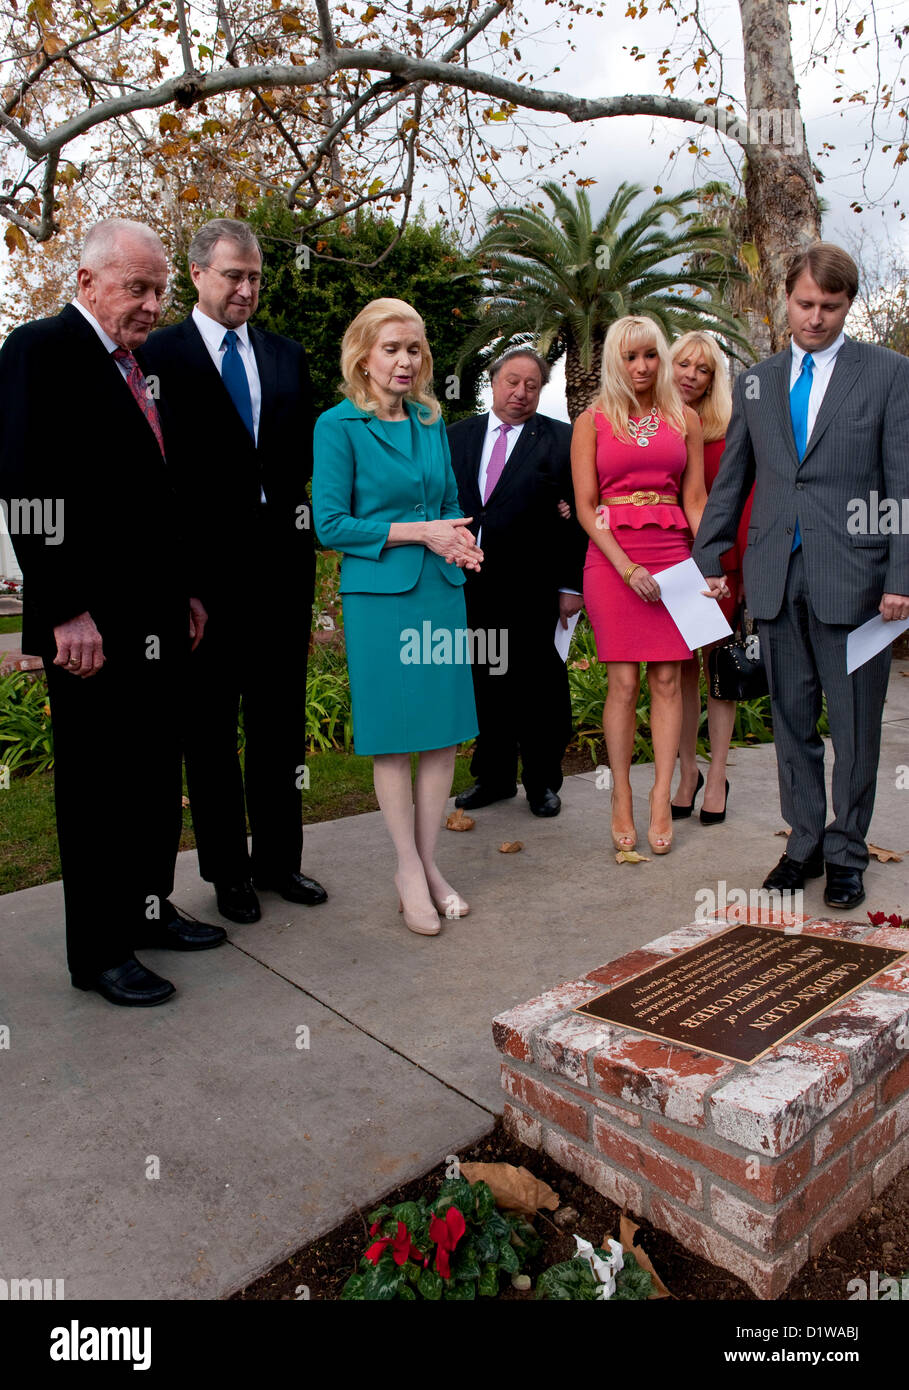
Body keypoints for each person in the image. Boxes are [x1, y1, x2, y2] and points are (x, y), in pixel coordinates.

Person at [0, 219, 226, 1007]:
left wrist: (188, 593)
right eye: (138, 287)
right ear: (88, 281)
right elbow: (27, 491)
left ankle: (148, 910)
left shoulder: (137, 367)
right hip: (89, 626)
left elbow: (162, 496)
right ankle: (98, 952)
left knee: (154, 777)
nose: (153, 303)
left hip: (158, 615)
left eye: (160, 288)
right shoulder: (39, 350)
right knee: (99, 788)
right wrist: (63, 612)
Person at [695, 243, 909, 909]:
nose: (814, 317)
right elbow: (732, 477)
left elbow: (902, 483)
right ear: (784, 299)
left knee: (852, 729)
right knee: (790, 723)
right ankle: (803, 843)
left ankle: (847, 853)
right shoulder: (756, 380)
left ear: (847, 305)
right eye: (804, 303)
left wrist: (900, 574)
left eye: (829, 306)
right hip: (775, 581)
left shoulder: (887, 374)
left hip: (859, 584)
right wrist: (710, 558)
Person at [140, 218, 327, 925]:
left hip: (281, 568)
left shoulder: (286, 355)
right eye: (233, 276)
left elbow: (296, 466)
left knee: (279, 724)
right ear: (196, 275)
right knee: (211, 730)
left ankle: (279, 862)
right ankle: (227, 874)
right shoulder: (157, 354)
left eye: (254, 277)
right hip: (202, 580)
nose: (246, 289)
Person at [312, 299, 480, 936]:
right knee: (393, 736)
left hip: (440, 590)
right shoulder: (338, 426)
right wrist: (422, 533)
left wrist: (461, 541)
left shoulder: (432, 420)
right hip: (380, 600)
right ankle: (406, 869)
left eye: (414, 349)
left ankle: (431, 865)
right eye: (391, 349)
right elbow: (329, 524)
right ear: (363, 354)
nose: (405, 361)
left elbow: (450, 504)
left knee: (442, 735)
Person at [571, 315, 709, 856]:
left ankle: (660, 795)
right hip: (611, 557)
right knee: (624, 682)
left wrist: (710, 563)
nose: (642, 366)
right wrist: (627, 567)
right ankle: (621, 794)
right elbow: (586, 508)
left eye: (650, 354)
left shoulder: (686, 419)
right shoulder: (593, 420)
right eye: (630, 357)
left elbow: (694, 500)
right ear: (614, 361)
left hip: (673, 552)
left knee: (670, 680)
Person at [447, 348, 587, 818]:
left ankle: (542, 782)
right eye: (511, 381)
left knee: (539, 687)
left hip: (535, 588)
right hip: (471, 584)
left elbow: (578, 517)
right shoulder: (457, 437)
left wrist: (572, 586)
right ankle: (494, 776)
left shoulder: (561, 441)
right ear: (493, 382)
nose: (520, 393)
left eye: (532, 384)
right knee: (487, 682)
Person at [669, 330, 750, 825]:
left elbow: (743, 499)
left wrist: (728, 564)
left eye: (704, 369)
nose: (692, 377)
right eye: (685, 365)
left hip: (718, 564)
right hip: (669, 564)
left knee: (721, 672)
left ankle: (716, 773)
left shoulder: (728, 428)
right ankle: (685, 772)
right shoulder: (652, 424)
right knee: (676, 673)